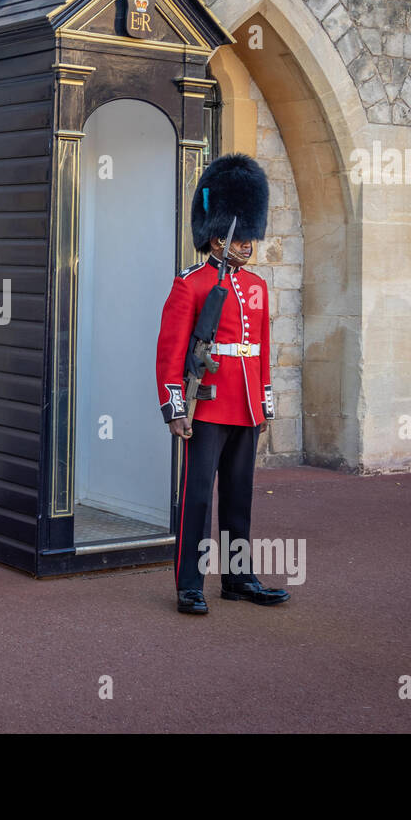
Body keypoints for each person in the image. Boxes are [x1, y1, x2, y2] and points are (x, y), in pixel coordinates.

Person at [155, 153, 290, 615]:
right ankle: (190, 585)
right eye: (243, 236)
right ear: (218, 237)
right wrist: (175, 408)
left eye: (251, 236)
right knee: (198, 498)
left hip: (246, 405)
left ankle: (238, 578)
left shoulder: (256, 286)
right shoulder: (190, 284)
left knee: (238, 498)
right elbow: (170, 352)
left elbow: (261, 350)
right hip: (208, 407)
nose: (249, 244)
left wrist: (265, 403)